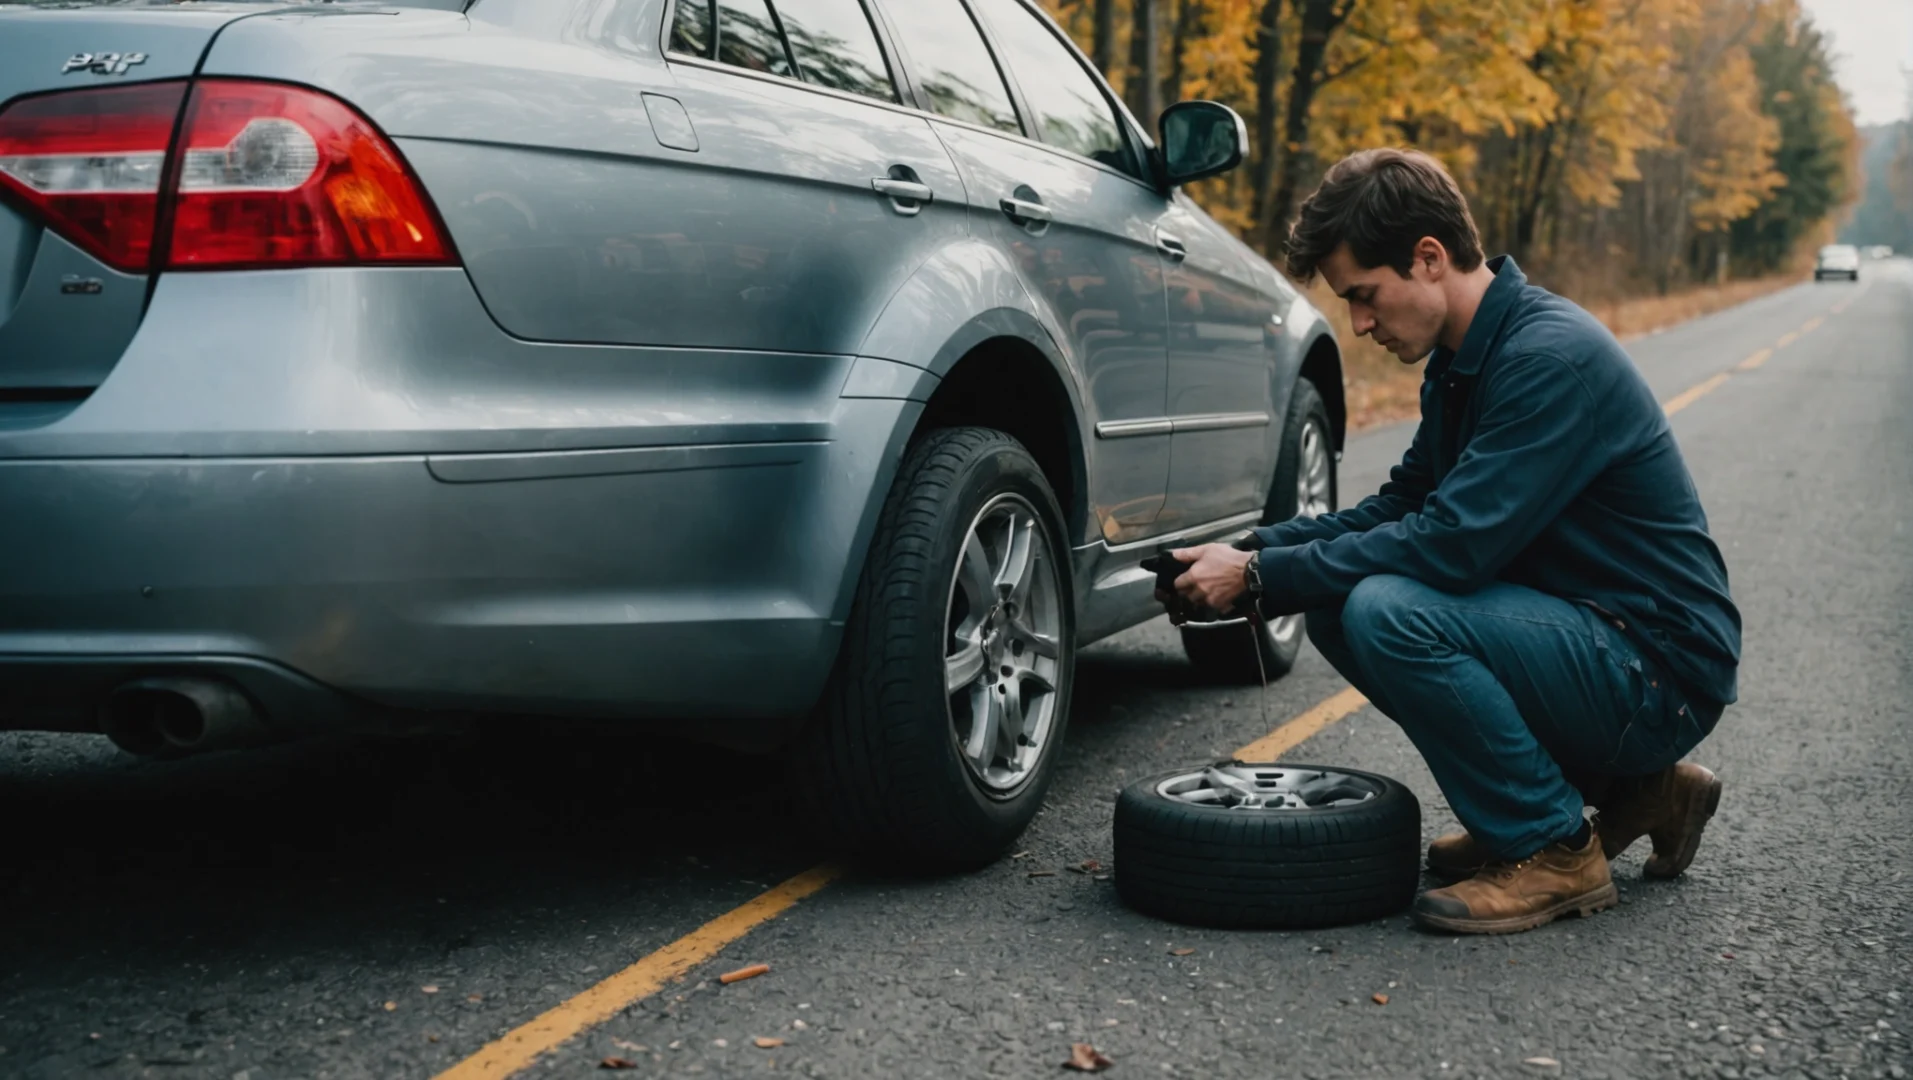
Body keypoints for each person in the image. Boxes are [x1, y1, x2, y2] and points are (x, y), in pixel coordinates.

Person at [1160, 148, 1741, 935]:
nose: (1358, 323)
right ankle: (1643, 793)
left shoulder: (1545, 361)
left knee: (1388, 610)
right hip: (1590, 635)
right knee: (1338, 593)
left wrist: (1263, 580)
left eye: (1363, 296)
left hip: (1656, 666)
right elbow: (1399, 507)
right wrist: (1253, 549)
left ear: (1428, 258)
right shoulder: (1464, 362)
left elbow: (1449, 547)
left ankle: (1552, 845)